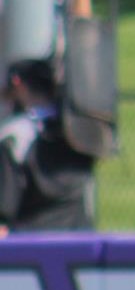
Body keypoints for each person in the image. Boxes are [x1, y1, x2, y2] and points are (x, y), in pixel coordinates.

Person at [0, 58, 96, 234]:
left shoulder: (14, 135)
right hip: (79, 238)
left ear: (18, 84)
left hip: (29, 243)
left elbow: (6, 201)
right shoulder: (79, 131)